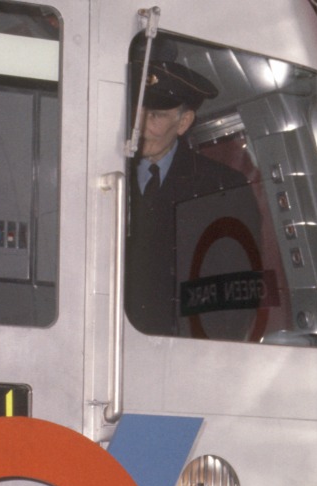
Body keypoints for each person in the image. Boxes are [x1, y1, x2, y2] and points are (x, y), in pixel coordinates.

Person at [126, 58, 248, 336]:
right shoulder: (109, 175)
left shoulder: (221, 187)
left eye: (155, 116)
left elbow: (236, 293)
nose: (140, 125)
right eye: (137, 111)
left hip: (184, 348)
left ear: (184, 122)